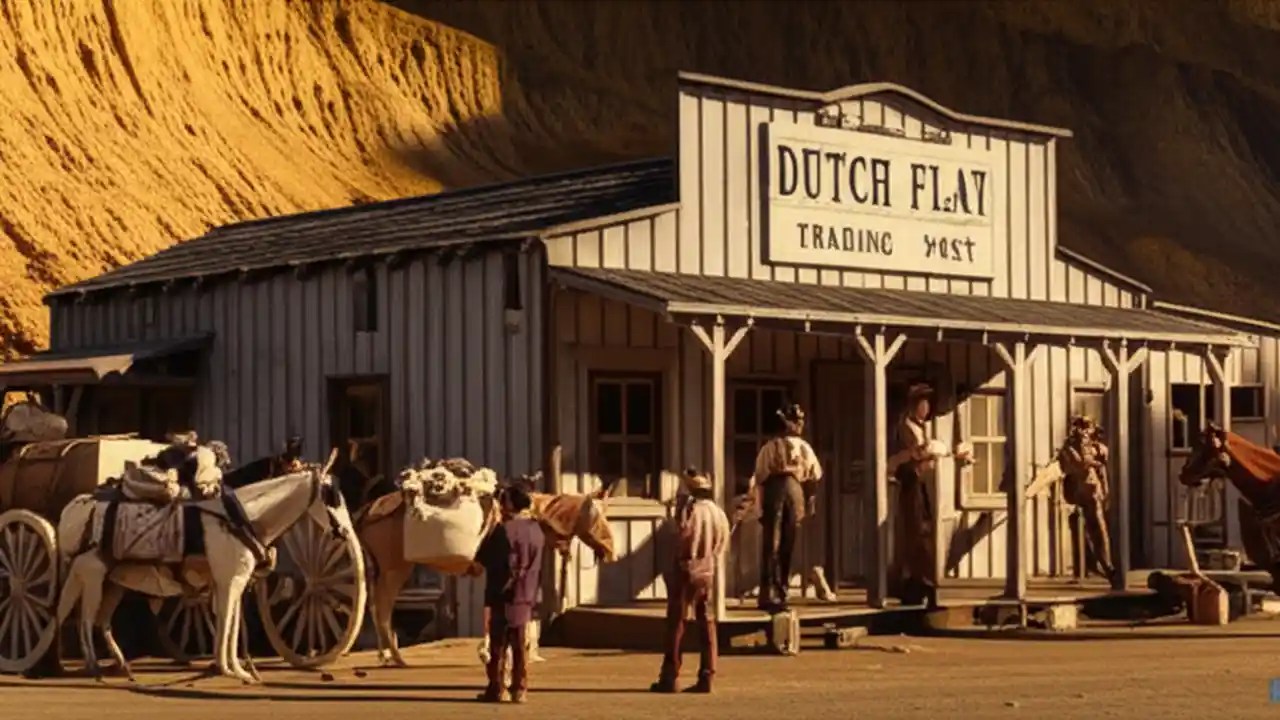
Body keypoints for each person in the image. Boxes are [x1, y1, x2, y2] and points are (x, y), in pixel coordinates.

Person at [651, 468, 730, 694]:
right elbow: (722, 544)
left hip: (686, 567)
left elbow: (681, 536)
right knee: (707, 622)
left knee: (676, 622)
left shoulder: (690, 510)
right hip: (708, 570)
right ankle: (707, 675)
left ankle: (670, 675)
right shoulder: (718, 513)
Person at [891, 383, 969, 607]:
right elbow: (919, 451)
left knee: (924, 532)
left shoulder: (920, 426)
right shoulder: (906, 426)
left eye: (927, 404)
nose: (925, 408)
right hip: (911, 481)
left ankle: (922, 584)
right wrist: (937, 450)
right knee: (918, 533)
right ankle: (919, 583)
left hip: (922, 483)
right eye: (922, 403)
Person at [475, 484, 545, 704]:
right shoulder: (537, 530)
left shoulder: (503, 530)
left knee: (498, 644)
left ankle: (497, 688)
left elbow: (486, 558)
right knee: (520, 644)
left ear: (510, 504)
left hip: (503, 593)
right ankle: (520, 688)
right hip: (526, 593)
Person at [752, 403, 822, 613]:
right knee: (772, 543)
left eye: (800, 421)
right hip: (775, 492)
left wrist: (809, 500)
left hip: (794, 493)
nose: (798, 425)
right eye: (794, 421)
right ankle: (769, 591)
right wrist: (759, 505)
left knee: (787, 544)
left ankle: (781, 589)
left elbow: (814, 477)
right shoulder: (770, 447)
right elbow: (760, 477)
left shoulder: (804, 448)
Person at [1058, 416, 1114, 579]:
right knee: (1079, 529)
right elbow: (1079, 463)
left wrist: (1105, 489)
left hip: (1093, 492)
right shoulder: (1068, 448)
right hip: (1075, 493)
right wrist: (1092, 460)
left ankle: (1106, 564)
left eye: (1088, 427)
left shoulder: (1098, 447)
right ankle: (1087, 565)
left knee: (1099, 529)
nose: (1084, 432)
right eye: (1081, 427)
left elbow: (1102, 467)